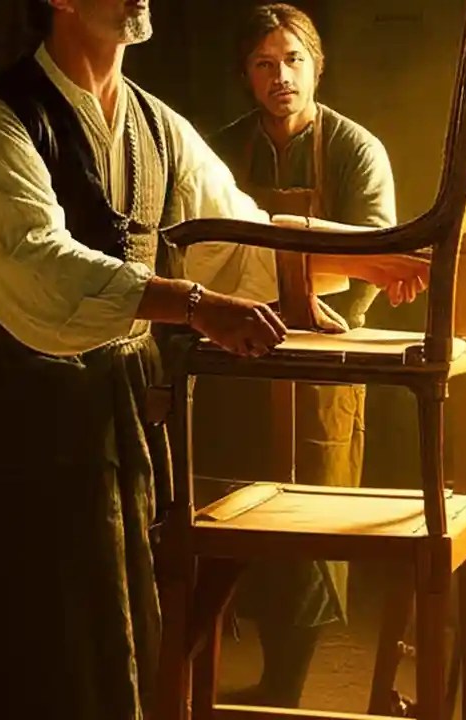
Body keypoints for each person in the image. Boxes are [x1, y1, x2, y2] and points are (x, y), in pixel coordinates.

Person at [0, 1, 429, 718]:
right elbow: (37, 264)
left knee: (118, 624)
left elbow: (237, 236)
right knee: (28, 633)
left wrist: (368, 258)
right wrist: (193, 303)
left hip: (115, 403)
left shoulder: (157, 127)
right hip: (12, 412)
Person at [199, 3, 397, 708]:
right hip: (237, 352)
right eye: (263, 63)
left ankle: (285, 685)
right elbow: (203, 246)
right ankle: (209, 677)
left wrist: (299, 291)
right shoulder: (220, 150)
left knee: (310, 525)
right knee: (231, 511)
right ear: (246, 75)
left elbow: (377, 258)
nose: (279, 76)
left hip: (322, 364)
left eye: (292, 60)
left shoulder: (355, 149)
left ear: (317, 66)